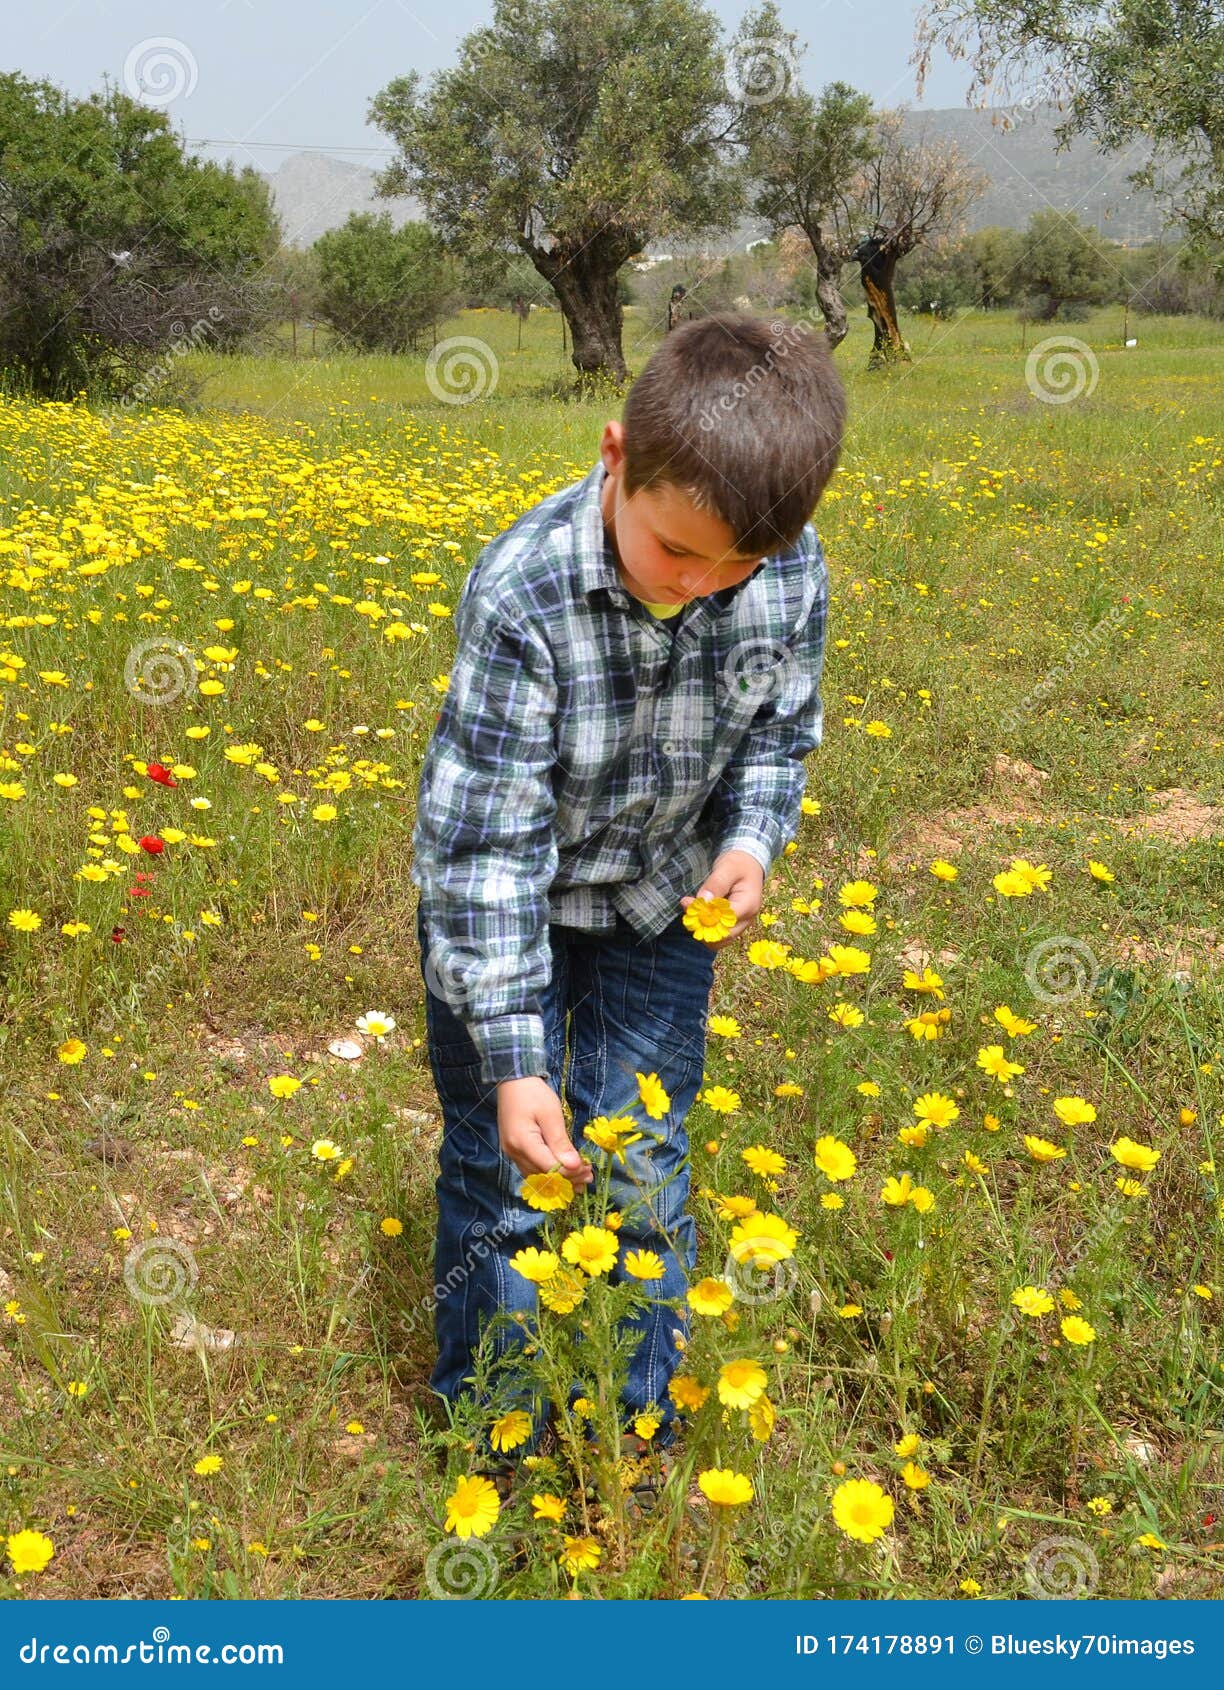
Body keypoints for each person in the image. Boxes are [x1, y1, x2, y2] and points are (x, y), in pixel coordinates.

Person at [411, 311, 846, 1493]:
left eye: (736, 569)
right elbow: (486, 853)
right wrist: (512, 1055)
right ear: (615, 458)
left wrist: (753, 839)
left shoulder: (786, 561)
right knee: (508, 1168)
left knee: (642, 1162)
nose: (702, 587)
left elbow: (781, 736)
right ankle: (490, 1440)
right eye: (675, 553)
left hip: (661, 903)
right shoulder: (522, 594)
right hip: (512, 915)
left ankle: (634, 1433)